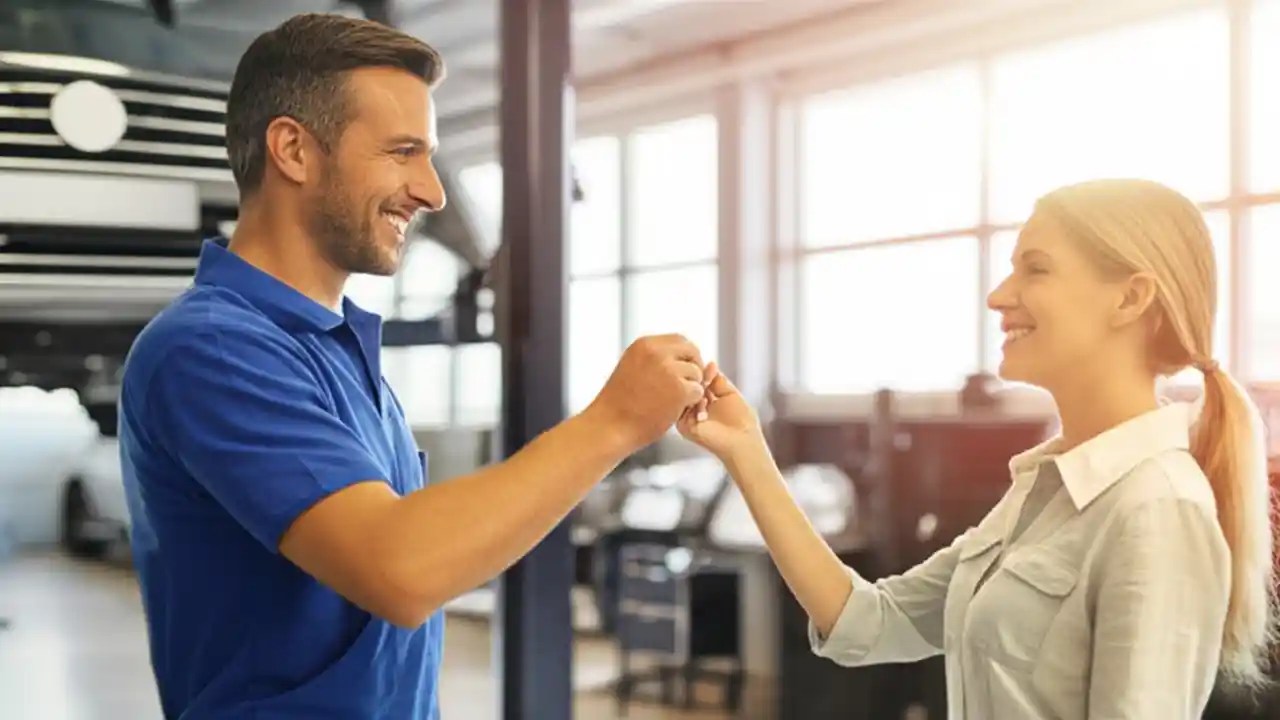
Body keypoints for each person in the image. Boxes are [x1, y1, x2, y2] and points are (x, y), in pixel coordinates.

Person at [117, 13, 710, 719]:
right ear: (293, 151)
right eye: (403, 152)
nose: (431, 191)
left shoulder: (334, 352)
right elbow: (401, 570)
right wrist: (614, 422)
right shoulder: (210, 349)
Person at [681, 178, 1278, 718]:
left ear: (1129, 298)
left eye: (1035, 269)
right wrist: (746, 451)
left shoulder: (1156, 508)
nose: (998, 295)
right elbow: (867, 622)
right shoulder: (1041, 493)